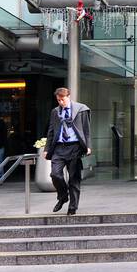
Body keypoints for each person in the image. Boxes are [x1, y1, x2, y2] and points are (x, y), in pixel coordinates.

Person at [44, 86, 91, 215]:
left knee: (74, 179)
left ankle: (73, 207)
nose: (60, 102)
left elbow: (87, 130)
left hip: (75, 147)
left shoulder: (81, 109)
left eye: (62, 99)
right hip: (59, 148)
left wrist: (88, 146)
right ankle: (63, 196)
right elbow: (51, 131)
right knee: (55, 174)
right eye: (58, 100)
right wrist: (47, 148)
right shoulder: (55, 112)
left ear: (68, 97)